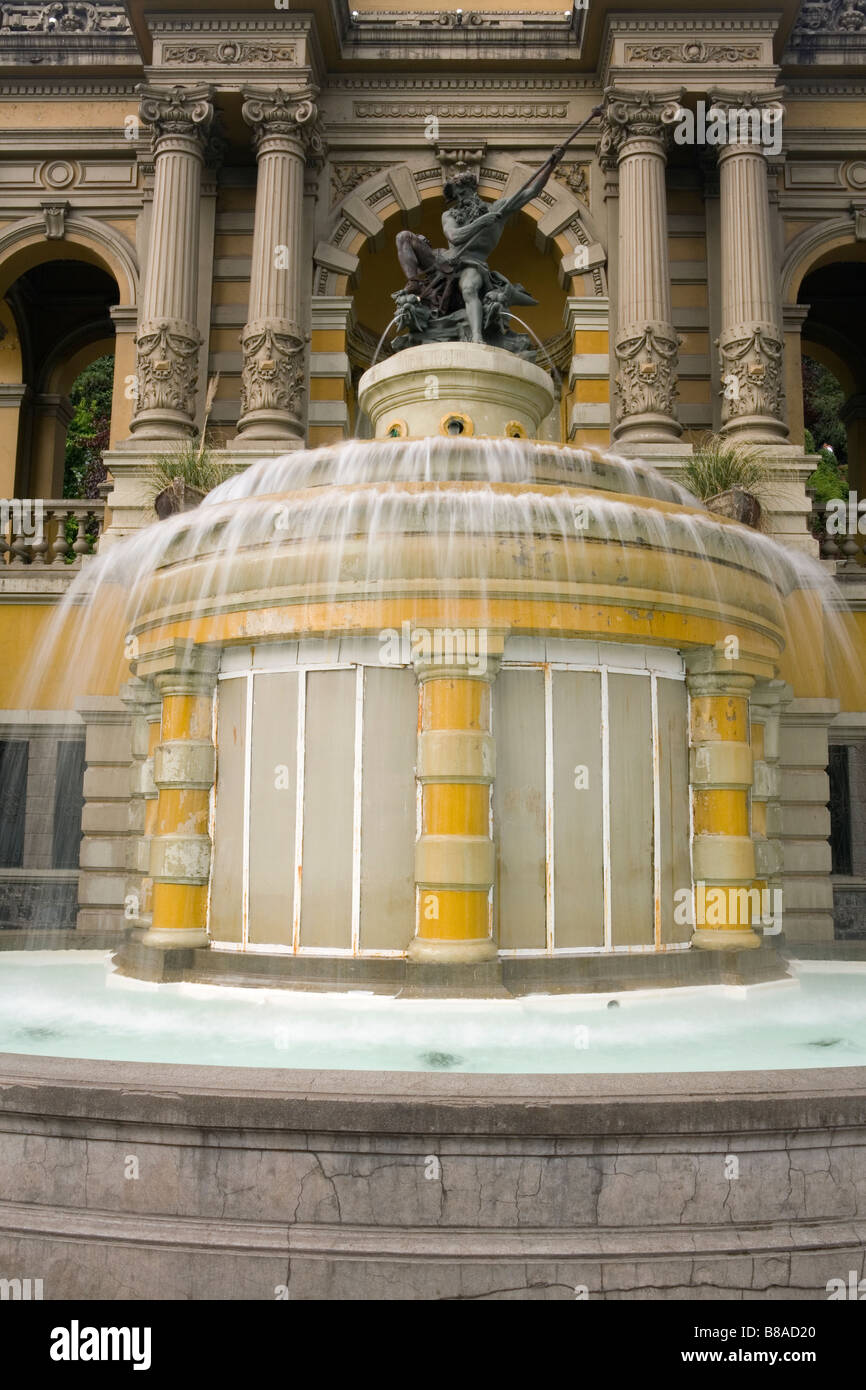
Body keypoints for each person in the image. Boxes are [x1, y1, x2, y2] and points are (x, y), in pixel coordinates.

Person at [395, 146, 565, 344]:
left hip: (472, 263)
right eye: (456, 196)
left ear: (473, 190)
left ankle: (476, 337)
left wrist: (552, 163)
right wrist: (481, 222)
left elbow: (532, 191)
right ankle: (414, 283)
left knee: (468, 288)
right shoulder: (450, 215)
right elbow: (455, 236)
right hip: (443, 259)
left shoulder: (498, 210)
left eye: (463, 193)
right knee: (404, 236)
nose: (460, 199)